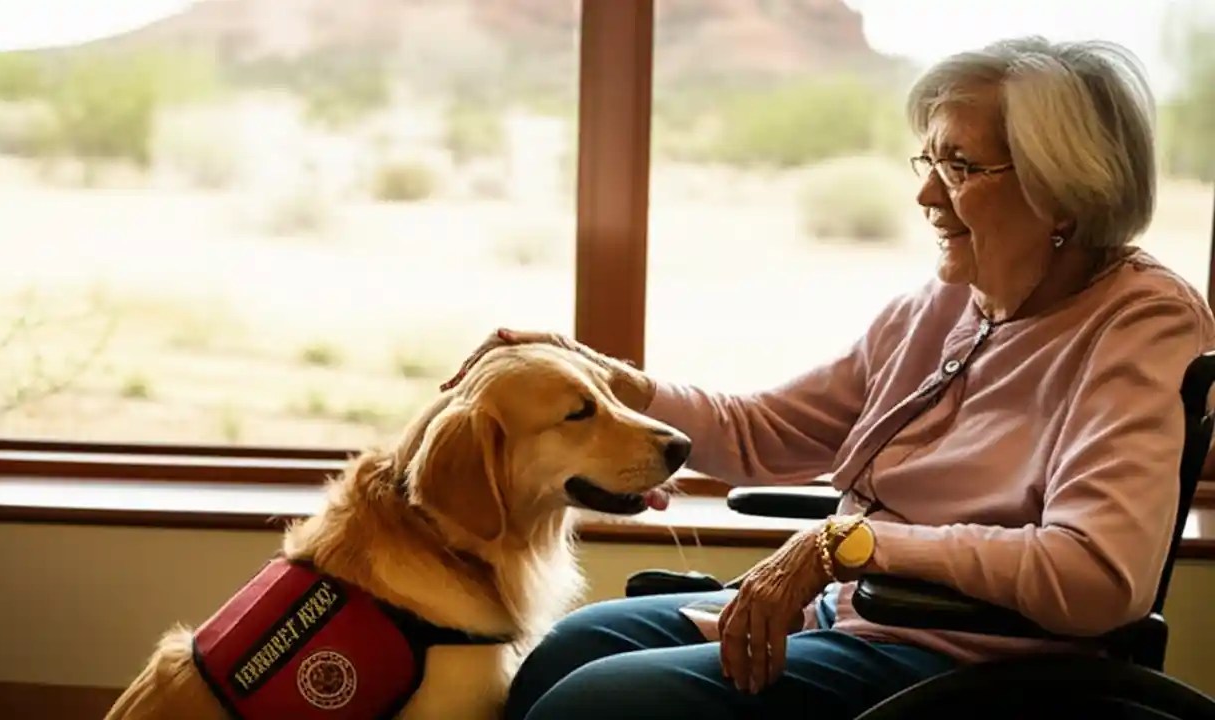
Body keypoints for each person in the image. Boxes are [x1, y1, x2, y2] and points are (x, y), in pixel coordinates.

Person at [443, 36, 1215, 720]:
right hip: (851, 615)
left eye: (959, 166)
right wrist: (603, 376)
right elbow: (768, 433)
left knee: (594, 706)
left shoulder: (1139, 324)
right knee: (569, 649)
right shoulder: (948, 300)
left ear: (1063, 188)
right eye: (930, 160)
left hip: (971, 660)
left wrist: (850, 542)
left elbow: (1095, 576)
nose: (925, 194)